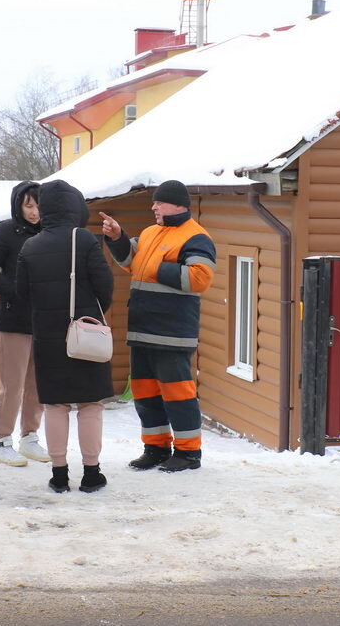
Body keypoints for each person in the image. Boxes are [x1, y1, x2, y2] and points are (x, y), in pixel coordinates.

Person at [99, 179, 216, 472]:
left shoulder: (197, 237)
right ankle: (156, 448)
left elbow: (199, 279)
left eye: (158, 202)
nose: (153, 207)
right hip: (142, 329)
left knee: (178, 395)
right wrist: (117, 237)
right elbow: (129, 260)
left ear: (178, 204)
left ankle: (189, 454)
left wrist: (153, 268)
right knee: (145, 393)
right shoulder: (151, 233)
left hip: (173, 333)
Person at [16, 180, 114, 493]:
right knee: (90, 405)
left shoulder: (30, 245)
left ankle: (59, 474)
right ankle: (91, 473)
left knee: (55, 405)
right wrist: (92, 314)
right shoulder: (83, 239)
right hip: (84, 333)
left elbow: (21, 294)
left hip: (47, 337)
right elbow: (105, 285)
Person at [0, 180, 51, 467]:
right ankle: (2, 440)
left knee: (38, 383)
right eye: (28, 205)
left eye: (38, 205)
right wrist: (13, 292)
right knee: (13, 385)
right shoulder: (6, 231)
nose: (34, 212)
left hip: (43, 319)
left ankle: (30, 436)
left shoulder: (49, 232)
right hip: (14, 319)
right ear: (18, 206)